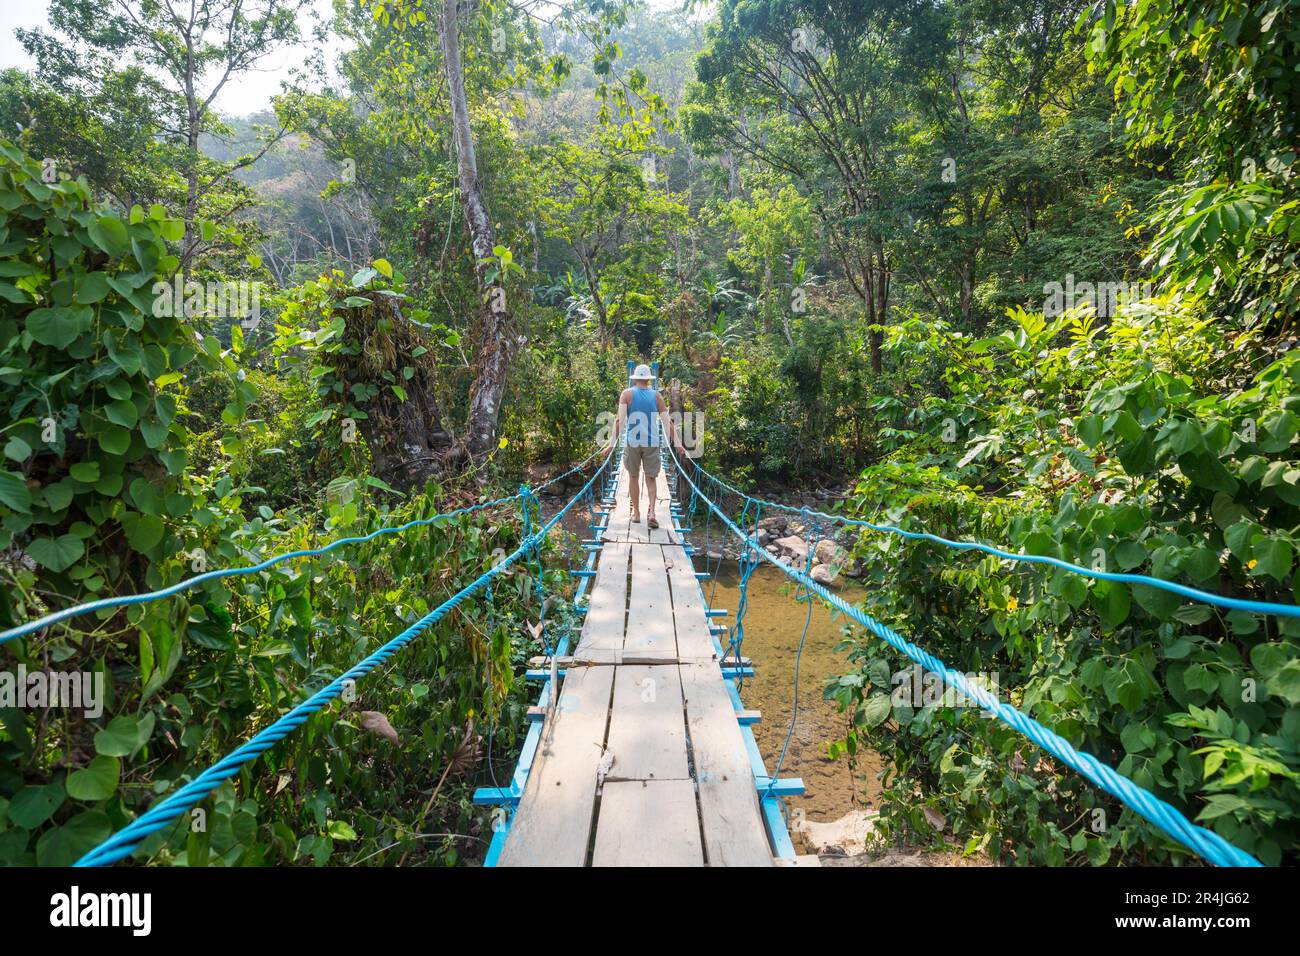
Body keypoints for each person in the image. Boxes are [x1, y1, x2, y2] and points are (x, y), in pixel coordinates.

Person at [606, 364, 686, 528]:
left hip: (632, 442)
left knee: (633, 477)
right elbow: (667, 423)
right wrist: (678, 444)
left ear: (634, 379)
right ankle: (652, 513)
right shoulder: (656, 396)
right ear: (649, 380)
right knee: (651, 478)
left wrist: (610, 445)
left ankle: (636, 513)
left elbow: (619, 421)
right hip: (652, 443)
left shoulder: (626, 394)